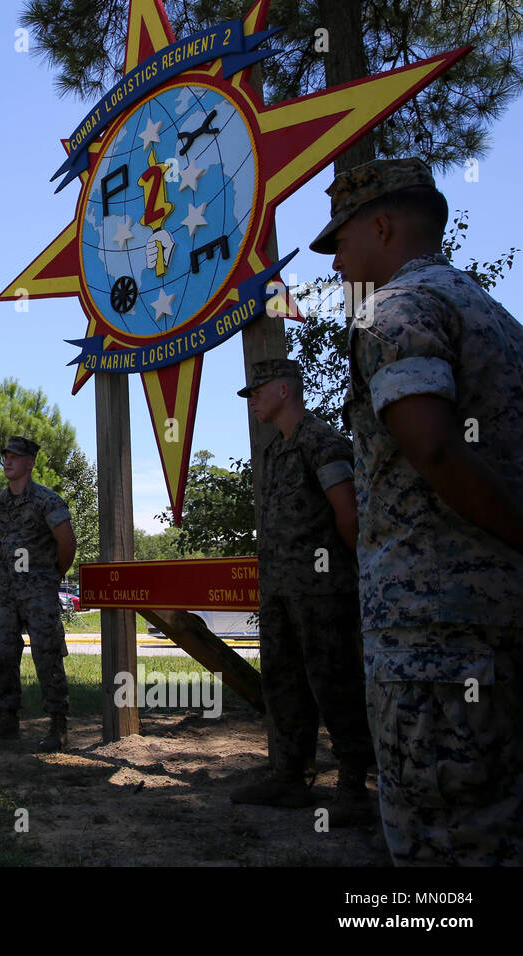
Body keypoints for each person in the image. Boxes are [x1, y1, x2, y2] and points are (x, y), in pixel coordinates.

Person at [312, 157, 523, 865]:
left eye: (339, 242)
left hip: (433, 639)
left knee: (440, 845)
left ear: (382, 224)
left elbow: (433, 451)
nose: (337, 263)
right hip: (498, 624)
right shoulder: (495, 317)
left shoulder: (394, 310)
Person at [230, 360, 373, 824]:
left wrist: (358, 577)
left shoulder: (323, 442)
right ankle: (291, 777)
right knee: (283, 682)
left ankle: (355, 787)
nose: (251, 399)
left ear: (285, 391)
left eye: (257, 391)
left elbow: (348, 515)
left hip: (322, 592)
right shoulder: (274, 452)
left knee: (335, 683)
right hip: (279, 592)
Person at [0, 436, 76, 752]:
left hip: (38, 592)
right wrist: (10, 566)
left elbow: (67, 544)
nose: (8, 461)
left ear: (30, 463)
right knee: (2, 653)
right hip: (5, 591)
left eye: (15, 457)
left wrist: (50, 575)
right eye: (5, 456)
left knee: (46, 654)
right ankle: (7, 718)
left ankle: (57, 723)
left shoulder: (47, 501)